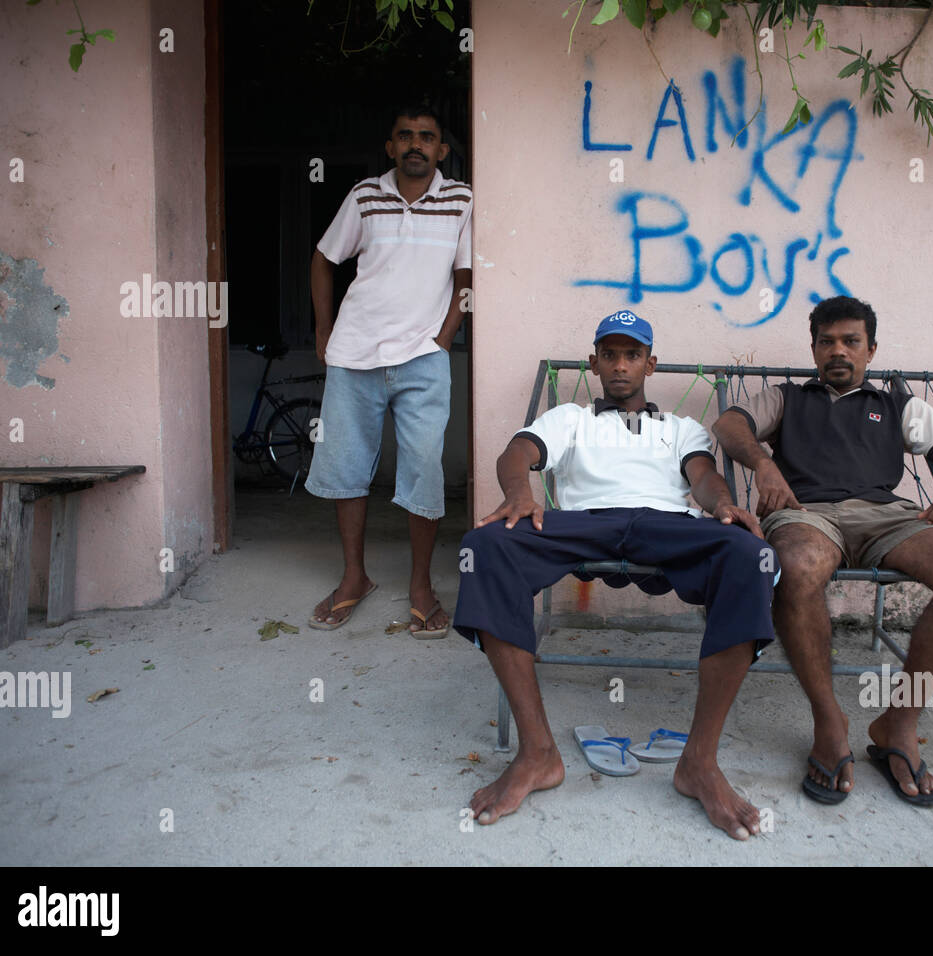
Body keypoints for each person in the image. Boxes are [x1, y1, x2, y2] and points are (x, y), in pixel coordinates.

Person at [453, 311, 775, 840]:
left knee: (751, 555)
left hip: (665, 524)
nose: (620, 365)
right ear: (594, 362)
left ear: (651, 363)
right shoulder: (570, 418)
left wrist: (723, 507)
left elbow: (704, 477)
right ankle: (537, 754)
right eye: (610, 354)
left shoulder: (680, 429)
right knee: (484, 547)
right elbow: (519, 452)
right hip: (584, 525)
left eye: (632, 355)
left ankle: (699, 763)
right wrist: (519, 493)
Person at [713, 296, 933, 807]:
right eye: (827, 342)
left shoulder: (898, 406)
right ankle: (829, 721)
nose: (837, 351)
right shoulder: (787, 398)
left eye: (850, 342)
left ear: (871, 349)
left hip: (887, 514)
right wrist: (764, 464)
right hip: (807, 512)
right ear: (814, 348)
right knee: (795, 565)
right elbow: (729, 426)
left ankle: (898, 724)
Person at [304, 104, 472, 637]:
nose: (416, 144)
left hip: (423, 356)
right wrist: (323, 332)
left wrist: (444, 337)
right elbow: (324, 258)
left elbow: (466, 276)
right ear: (390, 146)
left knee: (424, 469)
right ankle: (355, 577)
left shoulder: (461, 201)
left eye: (427, 137)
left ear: (442, 150)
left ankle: (421, 586)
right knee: (347, 468)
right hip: (354, 353)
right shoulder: (365, 196)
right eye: (405, 136)